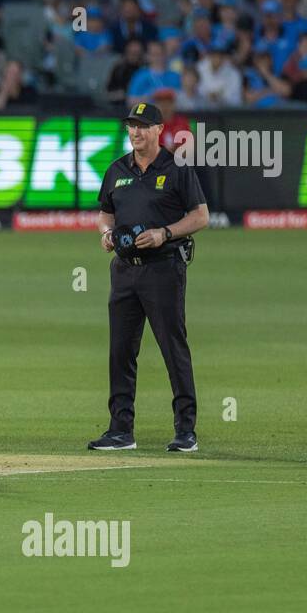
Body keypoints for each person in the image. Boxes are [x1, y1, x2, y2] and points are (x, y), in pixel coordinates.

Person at [91, 102, 210, 454]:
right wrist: (105, 234)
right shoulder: (116, 170)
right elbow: (105, 213)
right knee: (121, 352)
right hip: (125, 270)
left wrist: (165, 233)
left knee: (173, 348)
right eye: (131, 125)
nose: (135, 132)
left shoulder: (176, 168)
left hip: (163, 268)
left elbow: (201, 216)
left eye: (143, 126)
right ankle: (120, 429)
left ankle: (186, 431)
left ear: (159, 129)